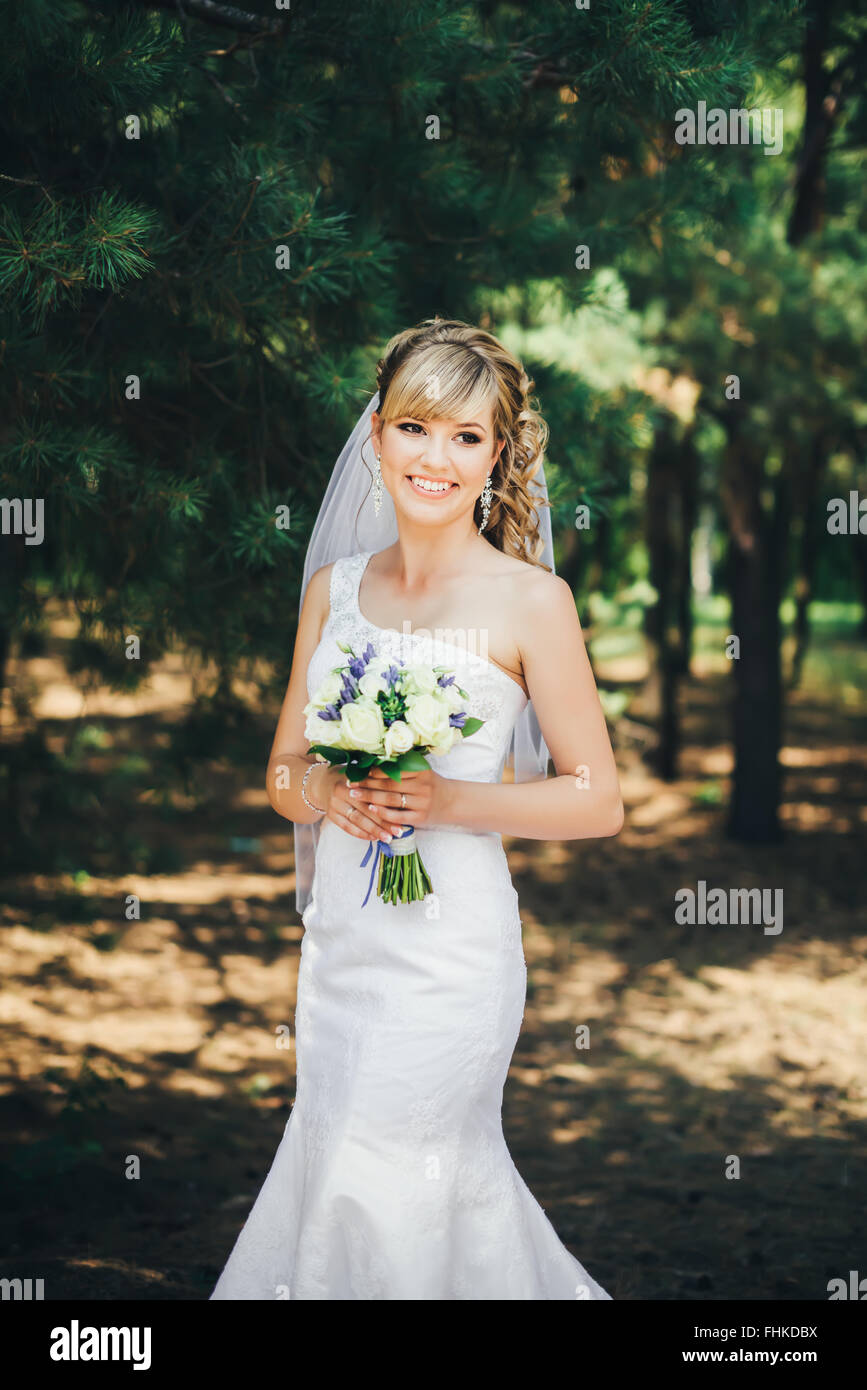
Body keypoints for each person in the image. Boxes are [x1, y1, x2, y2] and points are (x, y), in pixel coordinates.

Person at [210, 318, 623, 1300]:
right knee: (341, 1151)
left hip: (455, 955)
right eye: (415, 428)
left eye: (467, 437)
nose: (436, 457)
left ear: (496, 456)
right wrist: (329, 790)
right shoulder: (334, 591)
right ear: (377, 439)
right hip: (347, 942)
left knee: (398, 1158)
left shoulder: (533, 603)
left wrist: (448, 798)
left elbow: (597, 799)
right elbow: (281, 776)